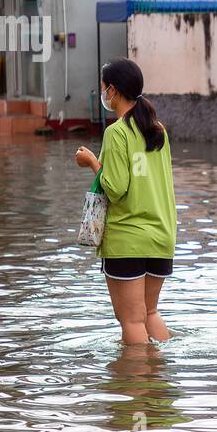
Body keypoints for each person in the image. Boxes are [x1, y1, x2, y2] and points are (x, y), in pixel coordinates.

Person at [75, 58, 177, 345]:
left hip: (127, 240)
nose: (102, 94)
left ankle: (135, 384)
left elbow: (115, 189)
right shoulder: (158, 130)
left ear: (114, 91)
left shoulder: (116, 132)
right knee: (150, 312)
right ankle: (157, 379)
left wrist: (92, 162)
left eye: (103, 88)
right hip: (161, 236)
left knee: (131, 320)